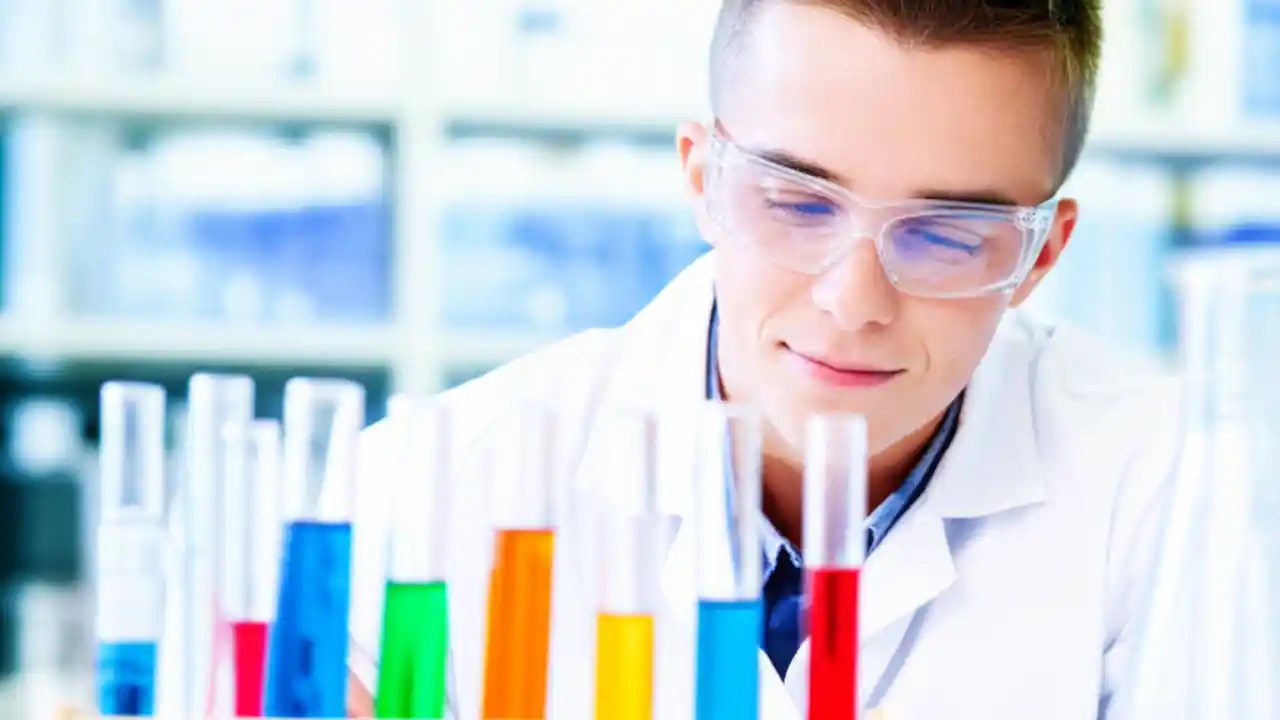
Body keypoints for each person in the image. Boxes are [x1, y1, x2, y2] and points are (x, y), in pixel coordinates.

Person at [347, 1, 1183, 717]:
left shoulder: (1167, 496)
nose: (853, 299)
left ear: (1039, 257)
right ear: (703, 178)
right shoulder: (432, 483)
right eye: (796, 202)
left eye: (947, 234)